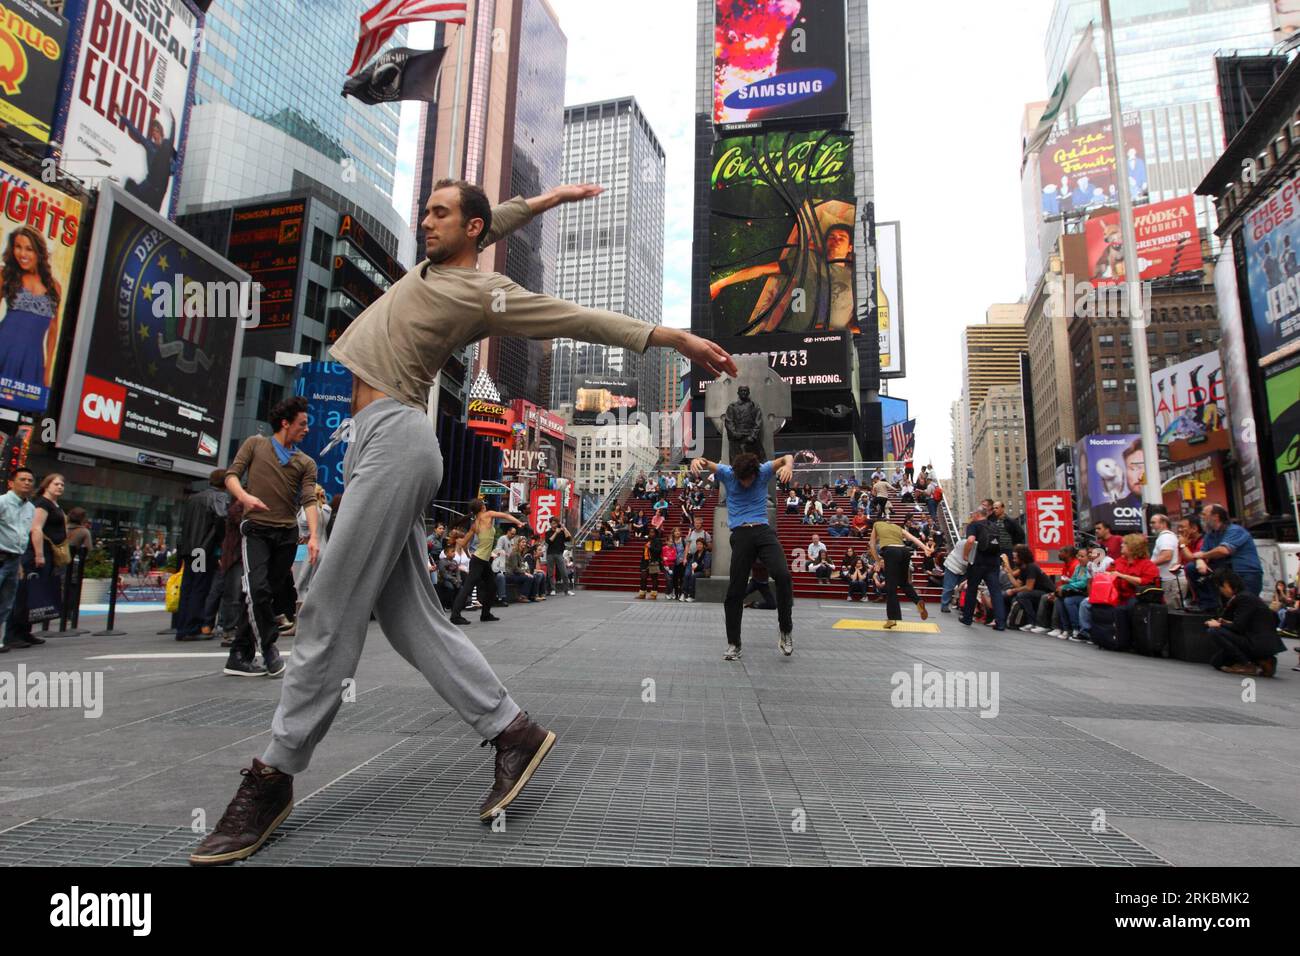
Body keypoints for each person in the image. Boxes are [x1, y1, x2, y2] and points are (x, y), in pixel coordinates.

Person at [189, 179, 737, 866]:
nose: (425, 221)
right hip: (371, 442)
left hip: (395, 439)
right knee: (411, 620)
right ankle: (512, 732)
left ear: (471, 231)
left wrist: (668, 337)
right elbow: (491, 218)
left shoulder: (483, 292)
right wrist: (544, 203)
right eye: (425, 211)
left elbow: (571, 318)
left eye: (440, 213)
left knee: (328, 607)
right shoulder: (432, 268)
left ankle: (274, 772)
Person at [221, 398, 318, 679]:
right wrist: (244, 496)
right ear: (285, 423)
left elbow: (309, 498)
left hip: (287, 535)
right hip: (256, 530)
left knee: (263, 596)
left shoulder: (305, 462)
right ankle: (269, 647)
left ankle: (238, 655)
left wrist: (313, 536)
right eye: (302, 424)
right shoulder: (255, 445)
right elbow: (232, 475)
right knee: (257, 590)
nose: (307, 429)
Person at [691, 451, 795, 660]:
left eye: (750, 479)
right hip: (740, 533)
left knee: (783, 576)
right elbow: (705, 462)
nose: (746, 483)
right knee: (735, 590)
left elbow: (787, 457)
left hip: (763, 531)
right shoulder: (728, 473)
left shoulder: (763, 470)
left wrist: (788, 466)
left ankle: (785, 630)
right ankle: (734, 643)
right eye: (742, 480)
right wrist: (695, 461)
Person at [0, 226, 63, 405]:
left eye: (28, 248)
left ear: (39, 252)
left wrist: (47, 370)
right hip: (3, 350)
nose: (22, 254)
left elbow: (53, 330)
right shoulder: (5, 274)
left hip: (32, 360)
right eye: (18, 247)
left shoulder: (54, 287)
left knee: (24, 414)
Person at [7, 471, 68, 649]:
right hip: (36, 555)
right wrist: (39, 554)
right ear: (46, 485)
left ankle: (25, 631)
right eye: (56, 484)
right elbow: (36, 529)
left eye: (62, 485)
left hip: (49, 555)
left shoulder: (55, 505)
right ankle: (12, 634)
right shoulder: (42, 503)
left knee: (35, 595)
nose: (59, 487)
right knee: (24, 594)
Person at [175, 470, 230, 641]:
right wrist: (222, 541)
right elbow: (221, 517)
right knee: (199, 587)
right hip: (203, 548)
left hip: (188, 548)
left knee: (188, 587)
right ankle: (192, 627)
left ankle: (183, 626)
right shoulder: (219, 497)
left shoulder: (193, 498)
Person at [449, 501, 522, 624]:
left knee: (492, 586)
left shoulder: (475, 524)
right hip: (479, 561)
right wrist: (519, 522)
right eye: (484, 504)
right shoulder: (488, 515)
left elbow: (463, 543)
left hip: (481, 560)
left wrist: (460, 544)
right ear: (482, 507)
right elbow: (505, 516)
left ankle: (485, 614)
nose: (486, 505)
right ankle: (455, 616)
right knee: (468, 587)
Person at [1206, 570, 1287, 677]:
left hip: (1257, 643)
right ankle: (1262, 661)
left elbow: (1238, 627)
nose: (1221, 591)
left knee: (1214, 631)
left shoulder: (1244, 598)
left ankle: (1247, 664)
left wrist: (1219, 625)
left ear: (1226, 585)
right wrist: (1226, 622)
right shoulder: (1247, 596)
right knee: (1217, 662)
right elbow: (1247, 623)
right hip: (1256, 639)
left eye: (1220, 588)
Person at [867, 513, 933, 628]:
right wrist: (924, 548)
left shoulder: (876, 525)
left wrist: (877, 561)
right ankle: (918, 601)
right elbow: (912, 538)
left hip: (891, 552)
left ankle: (892, 618)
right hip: (905, 551)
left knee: (891, 587)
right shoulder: (896, 526)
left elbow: (871, 545)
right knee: (903, 582)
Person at [1189, 504, 1264, 598]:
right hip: (1226, 573)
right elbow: (1200, 553)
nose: (1201, 518)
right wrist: (1200, 561)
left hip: (1245, 573)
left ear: (1215, 516)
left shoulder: (1235, 530)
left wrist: (1202, 556)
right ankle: (1209, 605)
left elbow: (1223, 551)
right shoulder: (1210, 534)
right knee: (1192, 567)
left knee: (1246, 602)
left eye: (1204, 515)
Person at [0, 467, 36, 653]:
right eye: (23, 479)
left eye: (30, 480)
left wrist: (20, 563)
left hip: (14, 560)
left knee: (6, 603)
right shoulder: (2, 502)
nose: (27, 483)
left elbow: (22, 536)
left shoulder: (30, 508)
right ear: (11, 483)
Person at [959, 505, 1007, 631]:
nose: (972, 516)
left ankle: (967, 618)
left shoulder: (974, 525)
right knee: (995, 591)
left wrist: (965, 554)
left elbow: (970, 540)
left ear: (977, 514)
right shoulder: (994, 525)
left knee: (972, 589)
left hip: (978, 562)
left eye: (973, 513)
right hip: (993, 563)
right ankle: (1000, 622)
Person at [1005, 545, 1054, 632]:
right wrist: (1009, 575)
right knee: (1012, 595)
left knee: (1022, 595)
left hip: (1046, 592)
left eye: (1015, 558)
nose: (1014, 560)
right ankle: (1012, 620)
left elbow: (1028, 587)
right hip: (1036, 592)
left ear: (1022, 558)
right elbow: (1018, 585)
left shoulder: (1031, 567)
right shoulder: (1023, 568)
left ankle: (1032, 622)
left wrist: (1013, 590)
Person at [938, 509, 975, 612]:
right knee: (949, 586)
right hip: (953, 566)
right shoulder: (963, 543)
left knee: (963, 587)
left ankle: (961, 604)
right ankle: (944, 605)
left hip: (963, 568)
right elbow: (966, 558)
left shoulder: (972, 544)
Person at [543, 516, 575, 597]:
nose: (554, 525)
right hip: (550, 554)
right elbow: (549, 541)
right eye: (552, 523)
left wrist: (564, 528)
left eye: (555, 523)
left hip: (559, 554)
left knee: (564, 572)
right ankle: (552, 589)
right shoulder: (548, 532)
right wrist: (556, 532)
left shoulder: (561, 532)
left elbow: (569, 538)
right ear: (550, 524)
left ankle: (567, 590)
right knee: (550, 573)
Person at [505, 536, 539, 602]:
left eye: (525, 542)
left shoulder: (521, 554)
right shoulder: (514, 553)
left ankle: (533, 596)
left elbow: (521, 567)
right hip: (510, 575)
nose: (524, 544)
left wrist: (527, 572)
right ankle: (522, 596)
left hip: (516, 574)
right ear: (518, 543)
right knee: (529, 578)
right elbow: (515, 568)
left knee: (534, 576)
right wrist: (525, 573)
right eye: (522, 542)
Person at [637, 529, 664, 600]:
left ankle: (653, 594)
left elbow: (659, 551)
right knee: (643, 578)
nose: (650, 533)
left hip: (654, 562)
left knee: (654, 578)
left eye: (652, 532)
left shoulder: (658, 540)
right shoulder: (648, 541)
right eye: (649, 532)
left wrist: (650, 547)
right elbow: (644, 552)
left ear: (655, 533)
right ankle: (642, 594)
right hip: (645, 562)